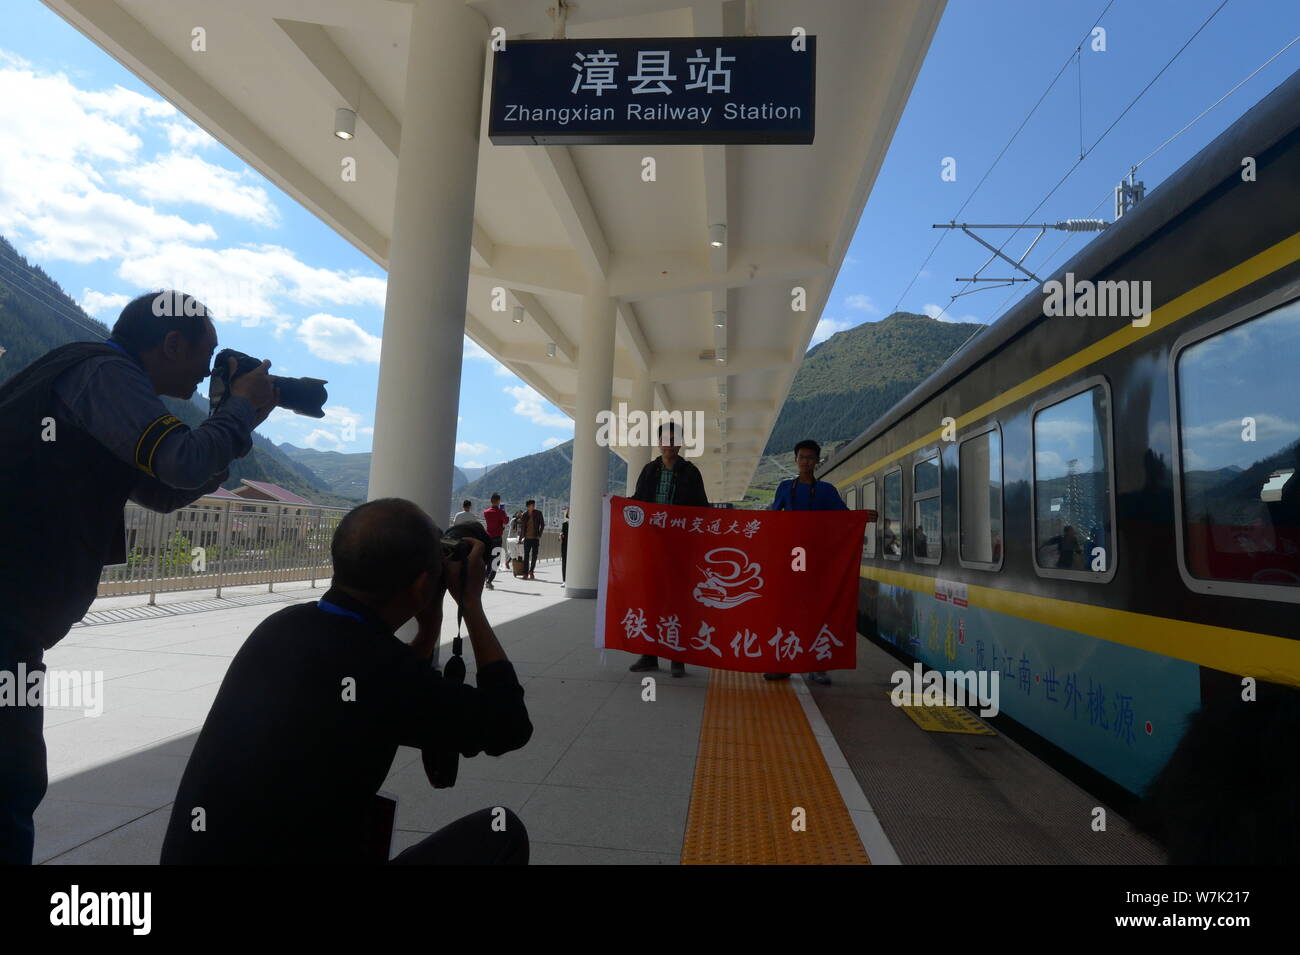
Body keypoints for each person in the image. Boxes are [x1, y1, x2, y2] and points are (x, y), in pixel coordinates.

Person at [0, 290, 276, 866]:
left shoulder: (98, 381)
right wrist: (237, 412)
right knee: (9, 782)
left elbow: (161, 490)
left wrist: (237, 422)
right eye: (205, 355)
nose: (207, 371)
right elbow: (178, 460)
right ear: (172, 343)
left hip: (15, 618)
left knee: (12, 777)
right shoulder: (104, 374)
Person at [160, 497, 532, 864]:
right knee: (502, 833)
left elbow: (391, 686)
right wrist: (471, 606)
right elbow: (509, 725)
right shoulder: (383, 671)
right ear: (422, 586)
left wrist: (428, 629)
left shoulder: (282, 626)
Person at [629, 421, 710, 678]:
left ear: (680, 442)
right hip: (652, 546)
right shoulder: (649, 470)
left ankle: (677, 657)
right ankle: (649, 655)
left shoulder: (690, 472)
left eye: (674, 439)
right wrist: (613, 503)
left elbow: (701, 507)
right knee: (651, 600)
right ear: (659, 441)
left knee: (677, 602)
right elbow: (637, 501)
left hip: (679, 548)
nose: (669, 443)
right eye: (665, 438)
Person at [767, 439, 847, 686]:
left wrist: (864, 517)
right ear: (795, 460)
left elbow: (846, 519)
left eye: (810, 458)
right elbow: (771, 519)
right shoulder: (784, 488)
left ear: (816, 461)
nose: (806, 462)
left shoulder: (826, 491)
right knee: (786, 613)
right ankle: (783, 664)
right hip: (790, 562)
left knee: (816, 613)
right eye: (802, 457)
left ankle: (817, 666)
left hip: (816, 563)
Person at [482, 493, 509, 589]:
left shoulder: (486, 512)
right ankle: (489, 581)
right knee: (495, 561)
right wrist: (504, 514)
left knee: (489, 560)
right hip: (497, 538)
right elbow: (506, 521)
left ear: (491, 501)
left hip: (488, 538)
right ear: (498, 501)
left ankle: (485, 577)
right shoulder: (501, 512)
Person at [518, 499, 545, 580]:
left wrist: (539, 535)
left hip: (535, 538)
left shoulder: (538, 513)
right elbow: (522, 528)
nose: (534, 506)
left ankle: (531, 571)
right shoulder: (525, 515)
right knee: (526, 556)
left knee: (534, 556)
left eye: (534, 505)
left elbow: (542, 524)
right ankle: (525, 573)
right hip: (527, 538)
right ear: (528, 506)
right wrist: (520, 538)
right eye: (532, 505)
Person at [560, 507, 570, 584]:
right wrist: (561, 535)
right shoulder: (565, 525)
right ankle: (564, 580)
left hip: (573, 547)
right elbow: (561, 533)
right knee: (564, 562)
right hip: (565, 545)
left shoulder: (578, 526)